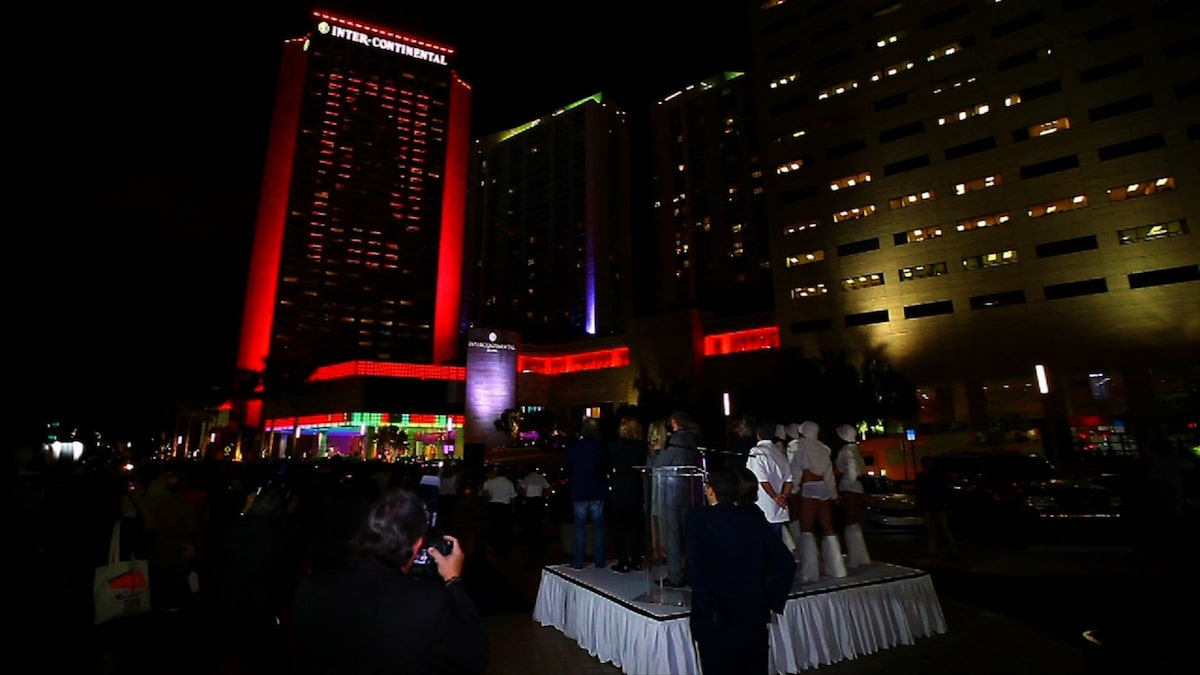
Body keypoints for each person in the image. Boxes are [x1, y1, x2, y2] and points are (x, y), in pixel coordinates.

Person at [290, 488, 488, 675]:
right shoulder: (429, 601)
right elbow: (474, 658)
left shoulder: (310, 587)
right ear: (418, 545)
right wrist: (453, 581)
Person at [686, 467, 795, 675]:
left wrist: (706, 609)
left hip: (715, 618)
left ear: (711, 491)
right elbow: (786, 562)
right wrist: (772, 601)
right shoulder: (753, 516)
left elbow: (695, 572)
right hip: (752, 615)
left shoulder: (698, 519)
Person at [786, 420, 846, 583]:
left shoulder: (799, 446)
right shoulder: (823, 449)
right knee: (828, 527)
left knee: (806, 529)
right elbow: (829, 476)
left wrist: (793, 490)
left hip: (808, 488)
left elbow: (796, 470)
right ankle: (837, 569)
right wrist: (833, 495)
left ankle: (809, 571)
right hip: (823, 488)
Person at [657, 410, 703, 588]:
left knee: (673, 536)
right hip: (688, 491)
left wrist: (657, 452)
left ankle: (675, 575)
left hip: (672, 491)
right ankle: (691, 571)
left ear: (675, 422)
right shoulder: (692, 440)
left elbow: (659, 464)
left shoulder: (675, 441)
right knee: (687, 535)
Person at [564, 416, 608, 569]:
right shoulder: (600, 447)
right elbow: (605, 466)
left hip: (580, 490)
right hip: (597, 489)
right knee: (598, 527)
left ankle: (578, 560)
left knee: (580, 527)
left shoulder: (574, 447)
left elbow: (567, 467)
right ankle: (599, 559)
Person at [608, 415, 647, 573]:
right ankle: (636, 560)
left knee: (620, 528)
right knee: (636, 527)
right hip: (636, 489)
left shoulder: (616, 446)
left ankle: (623, 560)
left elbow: (609, 464)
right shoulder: (641, 446)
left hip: (620, 488)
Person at [745, 422, 794, 539]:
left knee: (761, 542)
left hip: (761, 506)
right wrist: (784, 497)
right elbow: (789, 480)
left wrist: (775, 496)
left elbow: (762, 479)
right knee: (776, 542)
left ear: (758, 435)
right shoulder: (779, 453)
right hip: (778, 507)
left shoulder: (757, 451)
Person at [834, 424, 871, 568]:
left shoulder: (846, 450)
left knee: (850, 521)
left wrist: (844, 483)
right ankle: (859, 556)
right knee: (854, 521)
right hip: (856, 488)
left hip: (849, 488)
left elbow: (851, 471)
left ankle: (855, 558)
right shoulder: (856, 449)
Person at [915, 455, 958, 560]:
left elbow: (944, 489)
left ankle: (950, 549)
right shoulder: (925, 476)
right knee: (933, 529)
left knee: (943, 528)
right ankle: (934, 550)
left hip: (937, 505)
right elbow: (920, 492)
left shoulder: (936, 476)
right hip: (931, 505)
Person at [645, 419, 669, 564]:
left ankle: (658, 550)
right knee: (658, 517)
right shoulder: (662, 453)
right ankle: (660, 549)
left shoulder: (654, 454)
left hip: (657, 487)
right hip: (659, 488)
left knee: (656, 517)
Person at [480, 465, 517, 556]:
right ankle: (506, 548)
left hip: (494, 506)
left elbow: (486, 495)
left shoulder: (489, 482)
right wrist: (513, 508)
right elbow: (513, 497)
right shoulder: (509, 483)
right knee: (505, 528)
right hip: (505, 507)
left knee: (495, 527)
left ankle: (497, 547)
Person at [517, 465, 550, 551]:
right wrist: (543, 496)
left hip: (530, 501)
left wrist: (524, 498)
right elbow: (548, 488)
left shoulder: (527, 478)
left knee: (529, 522)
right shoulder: (541, 478)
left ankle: (530, 543)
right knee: (538, 522)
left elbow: (522, 490)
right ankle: (539, 543)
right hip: (538, 501)